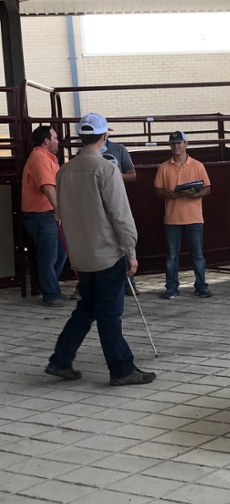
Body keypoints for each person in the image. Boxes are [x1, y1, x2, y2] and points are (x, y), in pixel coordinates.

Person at [46, 113, 156, 385]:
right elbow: (120, 215)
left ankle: (61, 360)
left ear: (81, 138)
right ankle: (121, 368)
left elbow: (61, 213)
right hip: (107, 254)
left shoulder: (64, 171)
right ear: (105, 136)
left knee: (87, 308)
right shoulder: (107, 169)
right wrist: (131, 252)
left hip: (81, 255)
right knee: (109, 314)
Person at [153, 131, 212, 299]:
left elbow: (207, 187)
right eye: (173, 143)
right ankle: (171, 287)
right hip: (172, 219)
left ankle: (201, 286)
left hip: (194, 218)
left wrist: (196, 194)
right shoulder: (164, 167)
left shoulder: (197, 165)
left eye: (179, 143)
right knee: (172, 256)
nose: (176, 146)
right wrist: (169, 195)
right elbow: (157, 190)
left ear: (186, 144)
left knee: (198, 255)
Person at [21, 126, 68, 306]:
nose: (58, 141)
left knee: (60, 253)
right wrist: (59, 209)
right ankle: (50, 293)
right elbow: (47, 187)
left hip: (50, 213)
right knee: (49, 255)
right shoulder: (39, 158)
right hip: (42, 214)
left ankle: (50, 286)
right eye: (55, 138)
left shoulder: (48, 158)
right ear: (46, 140)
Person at [102, 133, 140, 296]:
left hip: (117, 201)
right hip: (96, 205)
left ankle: (128, 283)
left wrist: (115, 176)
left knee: (122, 236)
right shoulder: (84, 153)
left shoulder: (118, 149)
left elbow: (132, 175)